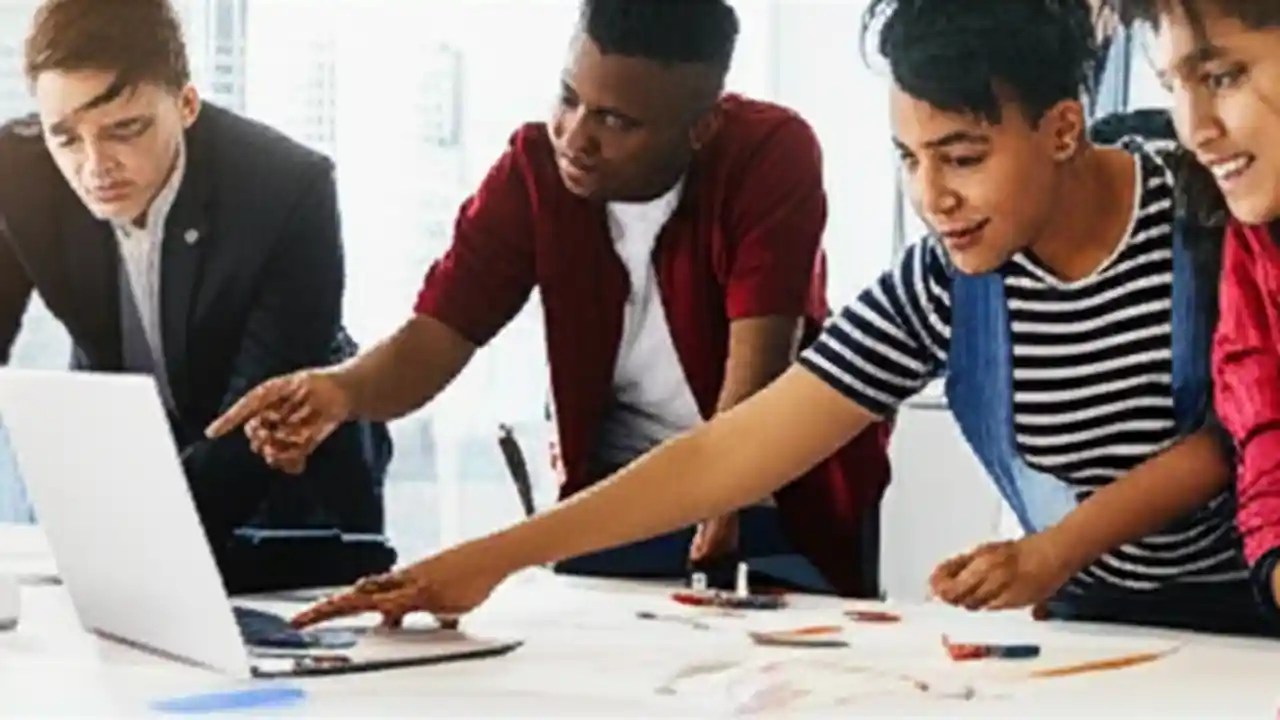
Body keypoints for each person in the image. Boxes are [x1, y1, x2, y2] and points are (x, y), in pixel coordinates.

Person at [265, 0, 1280, 637]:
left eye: (962, 155)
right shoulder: (944, 279)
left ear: (1061, 128)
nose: (933, 197)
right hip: (1097, 629)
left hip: (1249, 612)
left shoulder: (1208, 212)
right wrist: (485, 559)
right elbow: (735, 451)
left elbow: (1231, 440)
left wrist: (1052, 550)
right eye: (906, 158)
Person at [206, 0, 892, 596]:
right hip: (618, 497)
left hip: (774, 493)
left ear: (700, 127)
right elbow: (434, 340)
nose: (576, 137)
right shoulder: (533, 172)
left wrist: (730, 493)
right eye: (569, 98)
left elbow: (763, 356)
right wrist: (340, 392)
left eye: (617, 121)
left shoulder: (770, 151)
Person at [0, 0, 394, 593]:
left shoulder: (288, 190)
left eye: (123, 128)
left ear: (186, 103)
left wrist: (131, 551)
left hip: (285, 487)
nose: (94, 165)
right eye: (67, 137)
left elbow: (256, 415)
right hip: (134, 475)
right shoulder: (18, 172)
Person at [1110, 0, 1280, 624]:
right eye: (1173, 87)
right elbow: (1268, 453)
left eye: (1223, 77)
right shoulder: (1252, 248)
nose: (1195, 128)